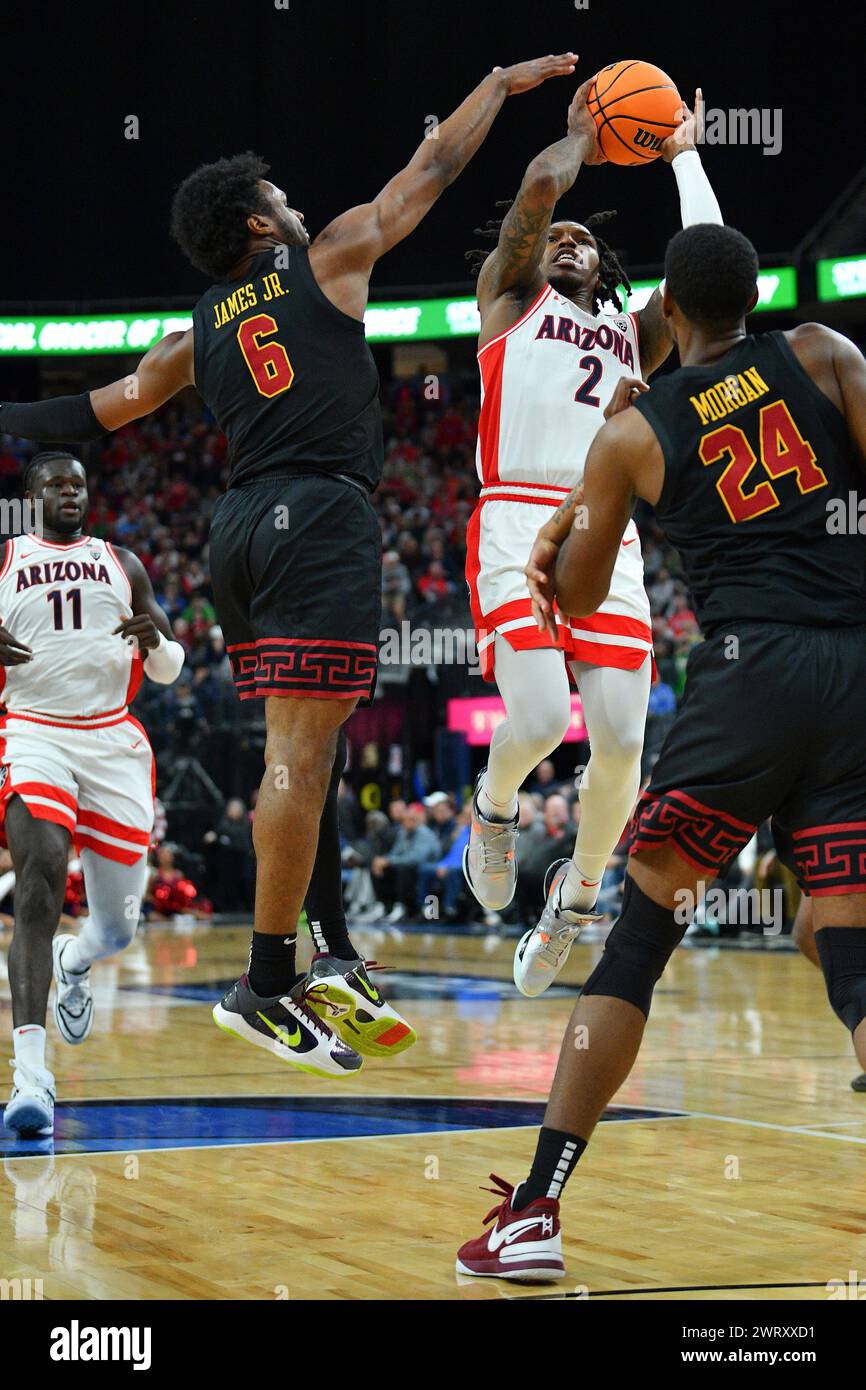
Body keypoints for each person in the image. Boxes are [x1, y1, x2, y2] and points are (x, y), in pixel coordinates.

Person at [0, 53, 580, 1075]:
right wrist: (498, 83)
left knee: (311, 755)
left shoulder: (191, 333)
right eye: (281, 197)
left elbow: (103, 411)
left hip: (238, 535)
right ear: (261, 226)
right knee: (300, 758)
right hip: (314, 514)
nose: (300, 204)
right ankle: (268, 980)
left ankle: (331, 952)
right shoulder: (332, 257)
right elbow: (434, 164)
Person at [456, 222, 866, 1280]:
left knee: (637, 940)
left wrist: (559, 534)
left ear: (665, 315)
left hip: (748, 679)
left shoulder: (635, 432)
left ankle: (535, 1212)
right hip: (854, 675)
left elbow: (582, 594)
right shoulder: (822, 352)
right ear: (752, 298)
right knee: (849, 946)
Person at [461, 78, 724, 1000]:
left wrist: (684, 152)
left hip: (603, 532)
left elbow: (704, 265)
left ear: (606, 269)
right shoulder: (509, 295)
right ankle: (493, 813)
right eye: (558, 239)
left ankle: (575, 902)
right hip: (513, 515)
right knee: (535, 718)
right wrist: (581, 135)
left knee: (620, 742)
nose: (567, 240)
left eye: (584, 240)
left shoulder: (632, 335)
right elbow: (538, 191)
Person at [1, 453, 185, 1137]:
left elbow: (169, 670)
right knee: (40, 880)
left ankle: (74, 961)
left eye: (79, 483)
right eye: (56, 484)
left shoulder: (121, 561)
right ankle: (30, 1078)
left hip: (113, 742)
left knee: (116, 928)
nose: (71, 492)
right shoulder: (6, 558)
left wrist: (158, 640)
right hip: (33, 734)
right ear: (30, 497)